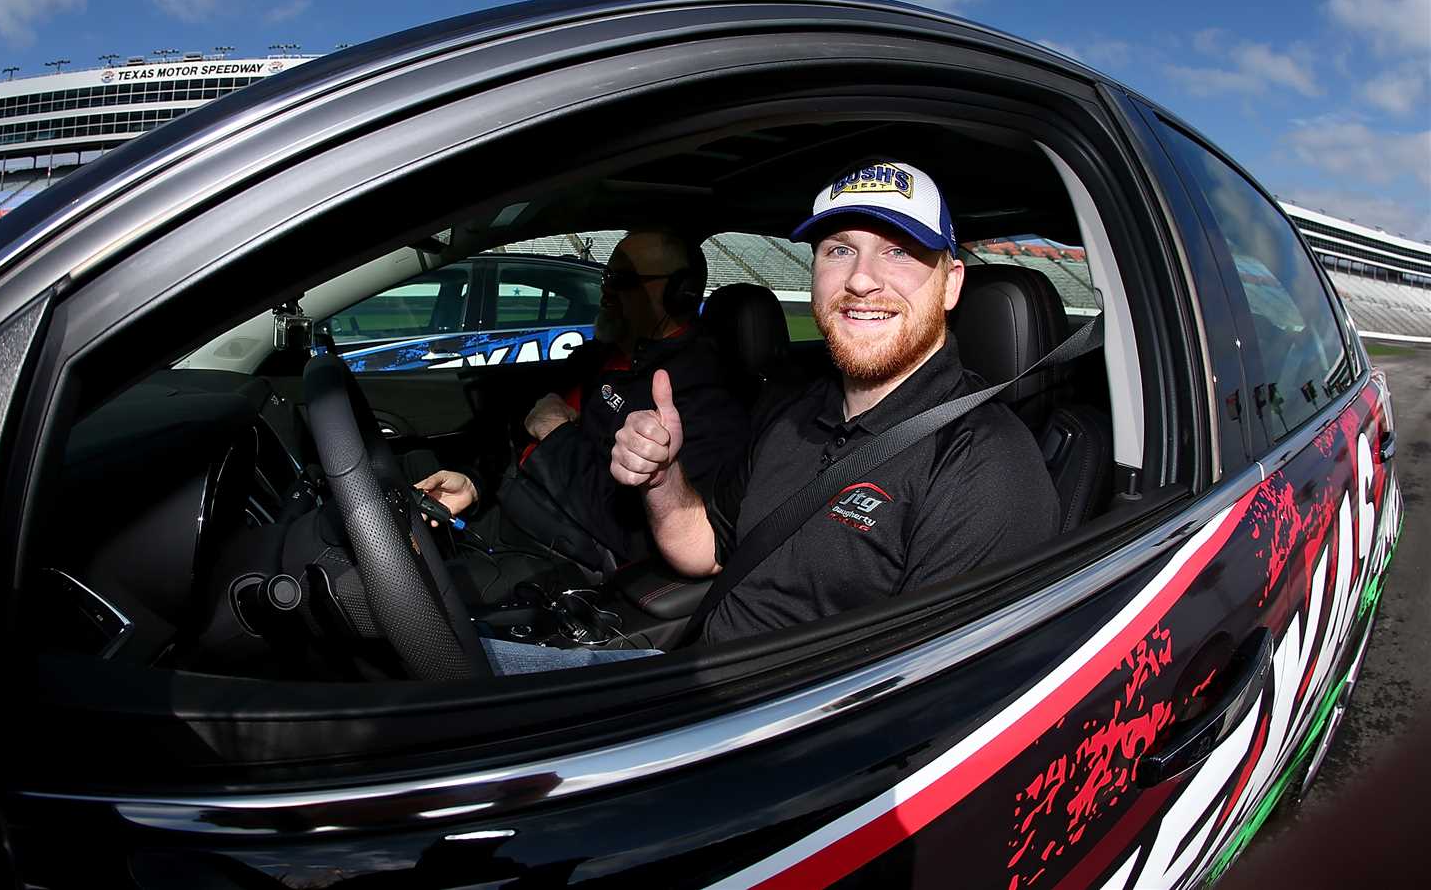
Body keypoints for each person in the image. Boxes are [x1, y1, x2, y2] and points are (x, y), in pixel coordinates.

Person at [611, 160, 1061, 644]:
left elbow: (929, 694)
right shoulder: (793, 412)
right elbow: (706, 547)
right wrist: (661, 476)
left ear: (950, 284)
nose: (861, 280)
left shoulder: (986, 465)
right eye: (839, 250)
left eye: (898, 252)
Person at [415, 229, 749, 573]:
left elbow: (640, 534)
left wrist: (556, 433)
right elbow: (524, 426)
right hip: (505, 512)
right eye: (607, 274)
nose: (605, 289)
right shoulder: (602, 355)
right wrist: (476, 482)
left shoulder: (705, 398)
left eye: (622, 278)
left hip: (559, 564)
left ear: (680, 294)